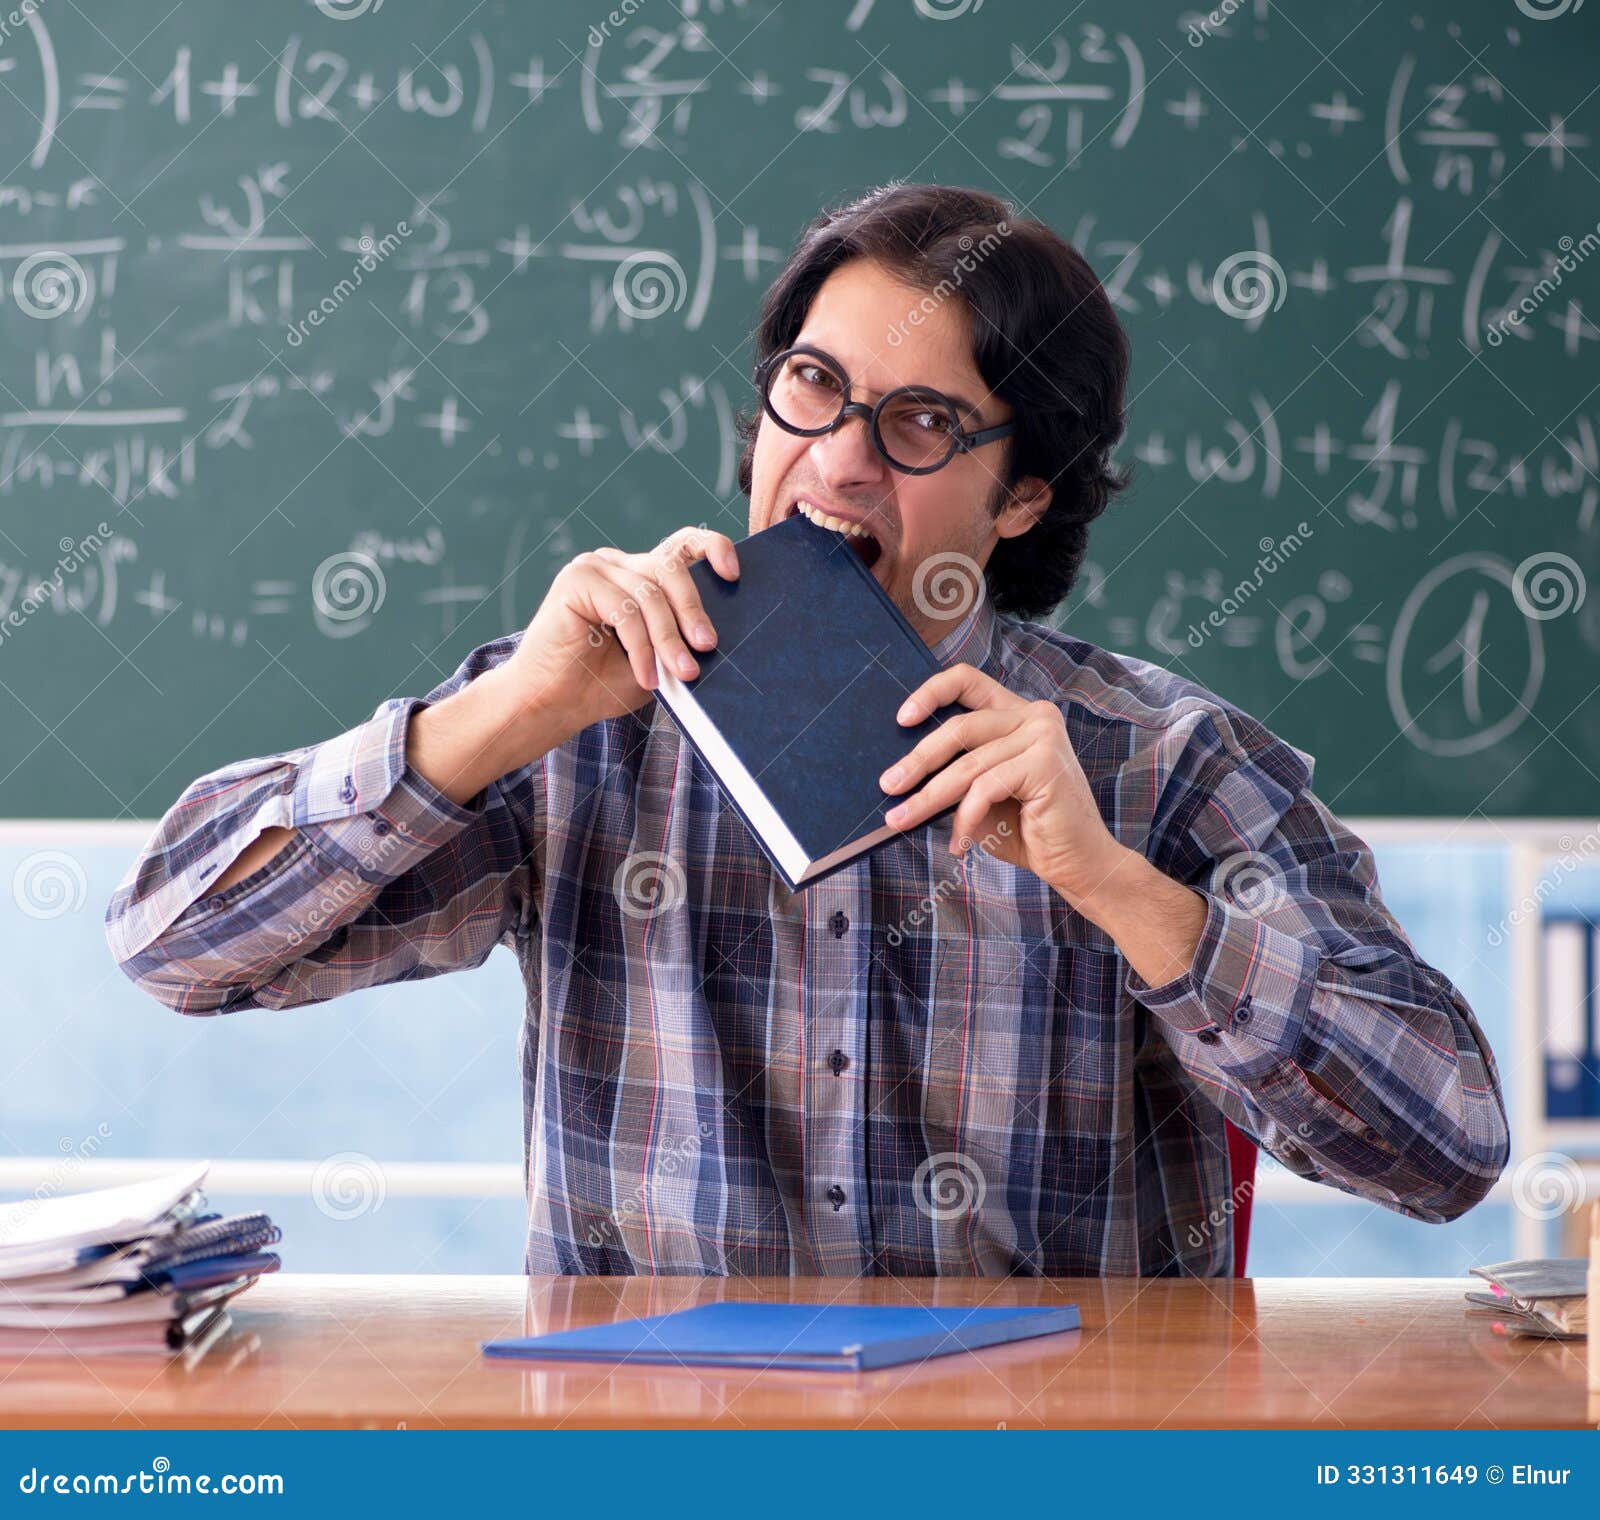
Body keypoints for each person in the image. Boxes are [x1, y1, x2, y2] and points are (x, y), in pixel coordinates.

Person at [106, 182, 1509, 1276]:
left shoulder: (1165, 764)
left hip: (1046, 1466)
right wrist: (504, 715)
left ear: (1023, 496)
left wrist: (1122, 892)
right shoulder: (582, 715)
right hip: (660, 1458)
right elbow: (173, 946)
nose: (836, 457)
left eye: (919, 424)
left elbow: (1446, 1149)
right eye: (815, 386)